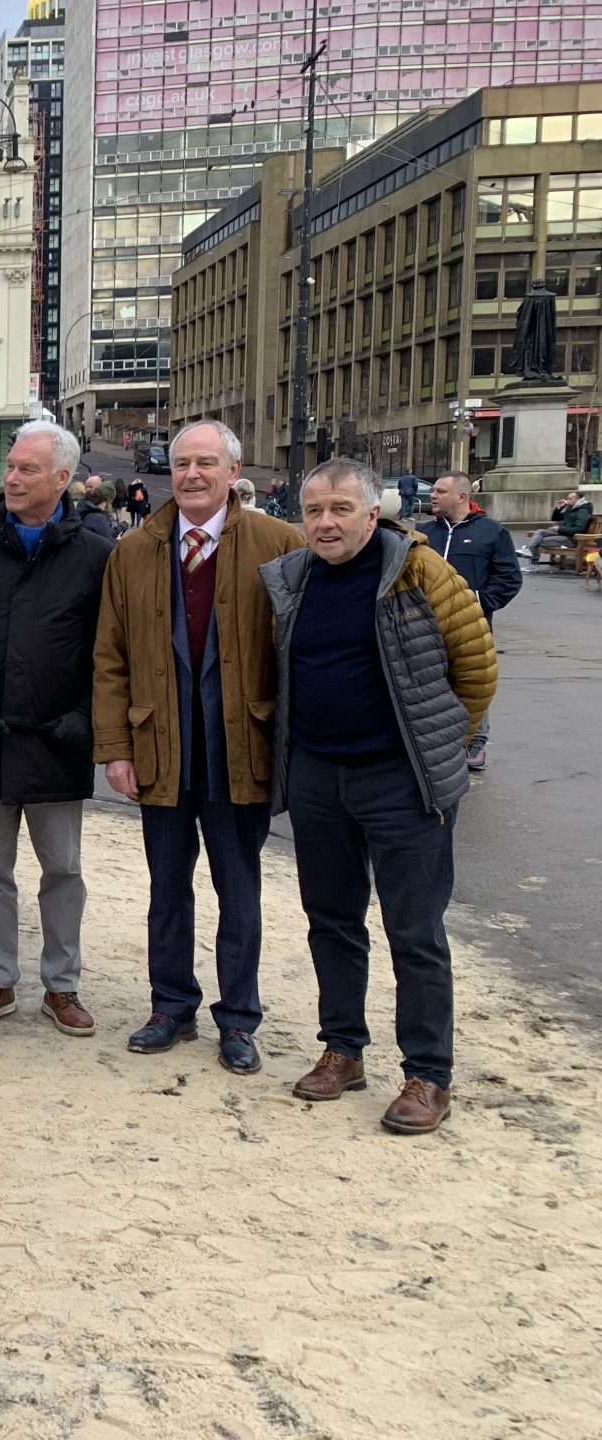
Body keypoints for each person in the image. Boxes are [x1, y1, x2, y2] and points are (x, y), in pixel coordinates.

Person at [259, 459, 496, 1135]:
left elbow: (476, 666)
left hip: (401, 780)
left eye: (340, 509)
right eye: (314, 511)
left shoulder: (418, 571)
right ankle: (343, 1049)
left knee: (414, 931)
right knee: (330, 919)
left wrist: (445, 746)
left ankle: (427, 1074)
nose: (326, 523)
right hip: (319, 777)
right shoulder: (294, 578)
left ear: (372, 513)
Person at [93, 421, 305, 1074]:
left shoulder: (280, 545)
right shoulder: (134, 551)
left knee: (238, 890)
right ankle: (171, 1005)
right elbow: (110, 659)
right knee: (167, 888)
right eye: (182, 463)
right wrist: (116, 749)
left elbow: (300, 654)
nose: (191, 474)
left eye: (205, 463)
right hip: (162, 749)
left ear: (233, 468)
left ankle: (239, 1019)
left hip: (240, 748)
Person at [0, 420, 114, 1038]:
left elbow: (111, 649)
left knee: (62, 868)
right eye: (10, 466)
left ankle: (62, 986)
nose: (11, 477)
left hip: (57, 740)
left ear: (63, 479)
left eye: (27, 469)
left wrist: (87, 716)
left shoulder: (94, 555)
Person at [424, 471, 522, 771]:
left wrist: (476, 602)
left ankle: (474, 742)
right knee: (429, 683)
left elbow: (509, 579)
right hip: (425, 626)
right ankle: (432, 744)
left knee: (471, 680)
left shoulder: (492, 532)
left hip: (471, 626)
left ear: (462, 497)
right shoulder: (424, 532)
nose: (433, 495)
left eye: (440, 491)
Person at [517, 489, 594, 563]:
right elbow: (555, 518)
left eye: (570, 499)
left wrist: (559, 529)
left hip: (572, 539)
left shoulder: (583, 511)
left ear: (578, 499)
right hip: (564, 534)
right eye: (567, 498)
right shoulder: (572, 509)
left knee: (538, 541)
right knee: (540, 532)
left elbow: (579, 529)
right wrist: (559, 508)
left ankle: (532, 562)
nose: (567, 500)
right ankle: (529, 551)